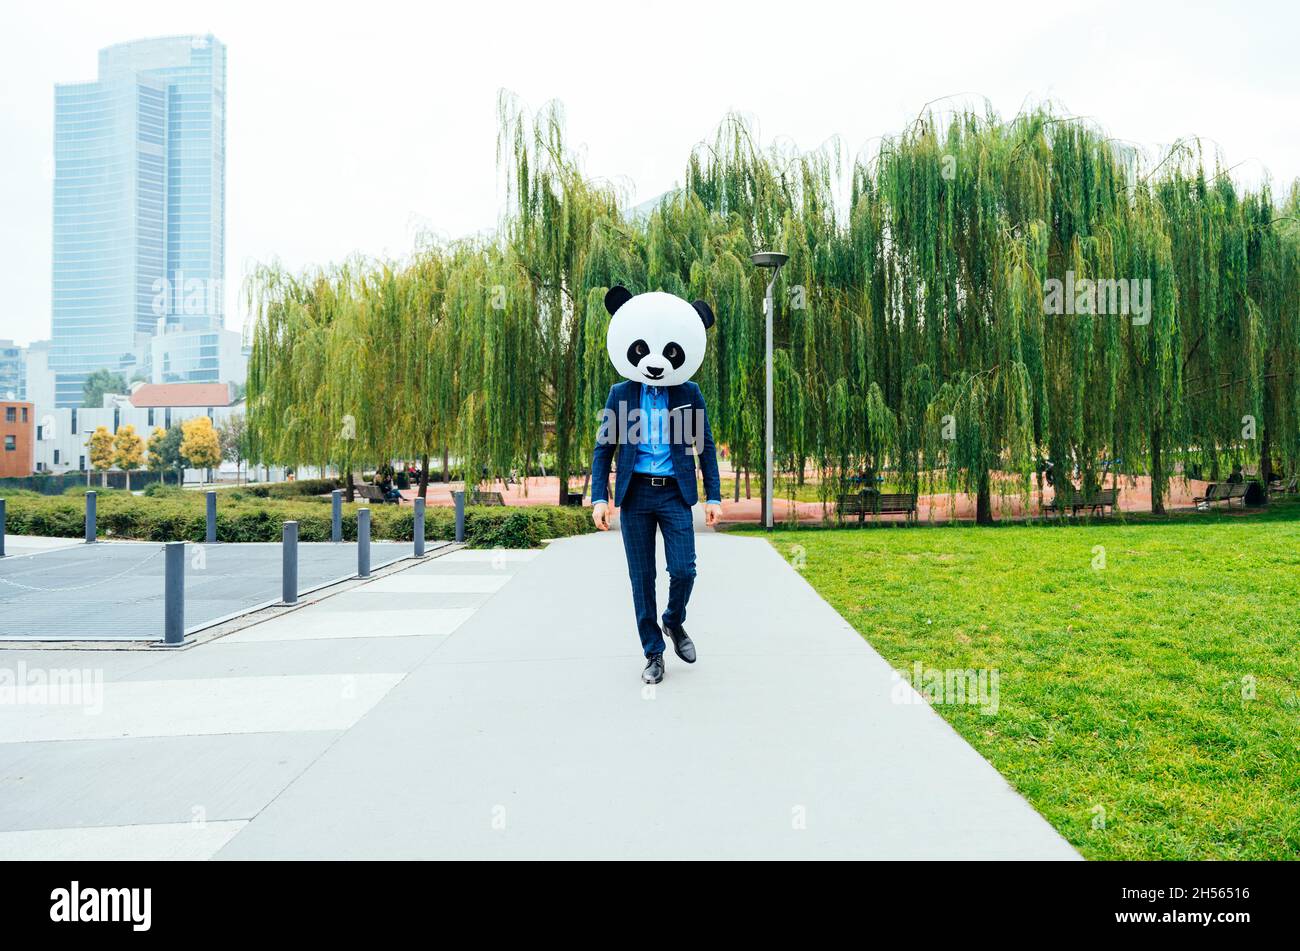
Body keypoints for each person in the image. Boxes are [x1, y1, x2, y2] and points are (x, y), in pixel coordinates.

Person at [590, 286, 722, 685]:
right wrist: (599, 497)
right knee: (641, 577)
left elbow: (705, 445)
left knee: (684, 571)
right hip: (635, 496)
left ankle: (673, 620)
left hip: (675, 493)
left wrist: (713, 495)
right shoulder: (620, 394)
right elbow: (604, 449)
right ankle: (653, 653)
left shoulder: (688, 392)